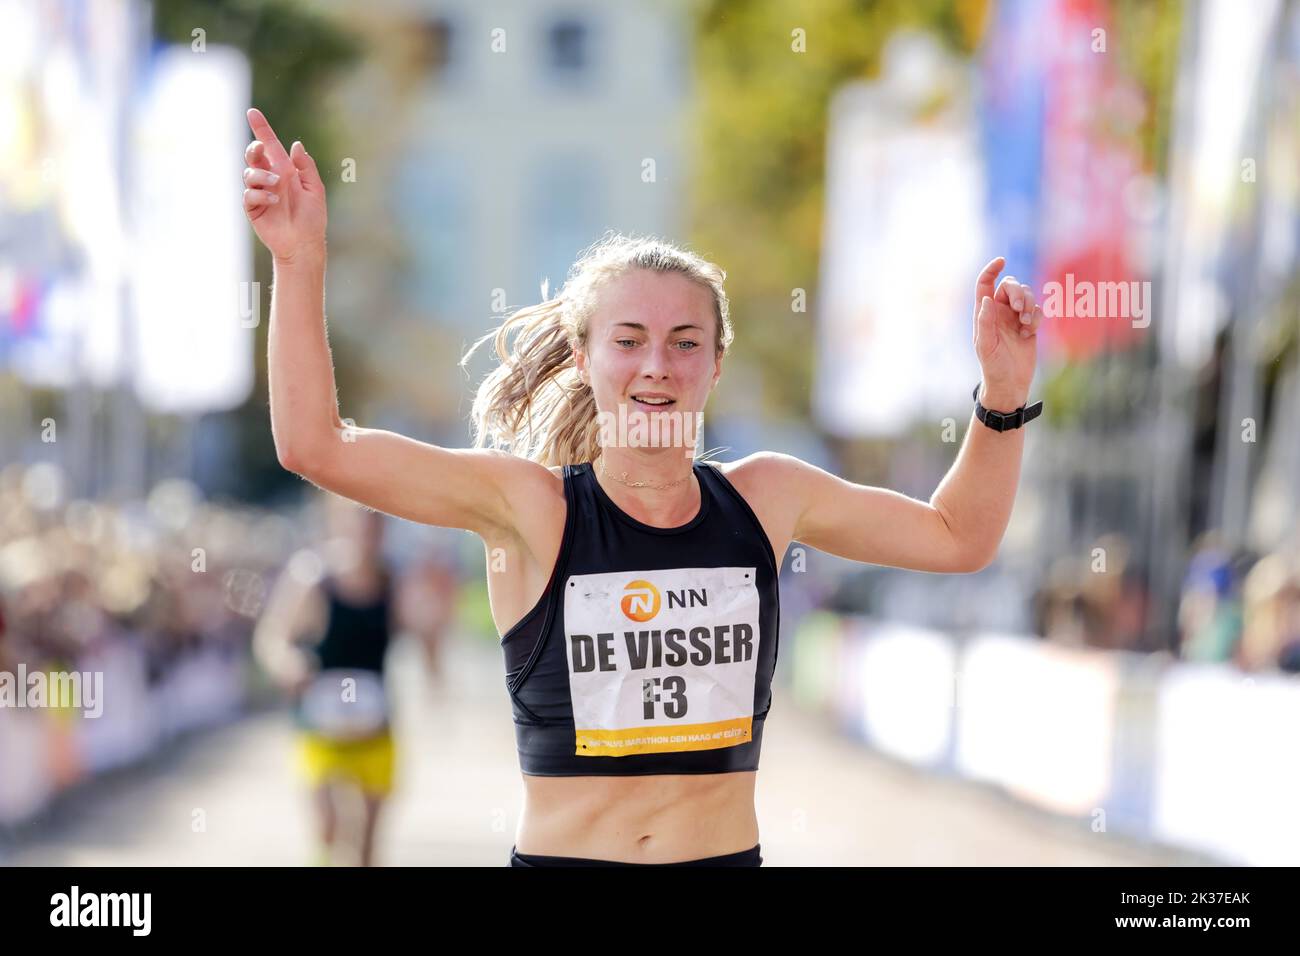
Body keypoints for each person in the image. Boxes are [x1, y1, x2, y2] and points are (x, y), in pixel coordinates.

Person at [241, 107, 1044, 866]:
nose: (657, 365)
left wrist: (1003, 399)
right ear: (587, 358)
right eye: (628, 340)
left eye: (685, 341)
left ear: (717, 362)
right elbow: (316, 445)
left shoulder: (767, 498)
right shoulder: (532, 509)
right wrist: (297, 259)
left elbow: (957, 537)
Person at [254, 492, 398, 866]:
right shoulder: (313, 577)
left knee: (366, 841)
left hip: (374, 726)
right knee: (328, 827)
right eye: (360, 521)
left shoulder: (392, 580)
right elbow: (272, 637)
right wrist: (287, 664)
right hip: (320, 723)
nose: (368, 531)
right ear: (340, 522)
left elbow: (422, 629)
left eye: (376, 523)